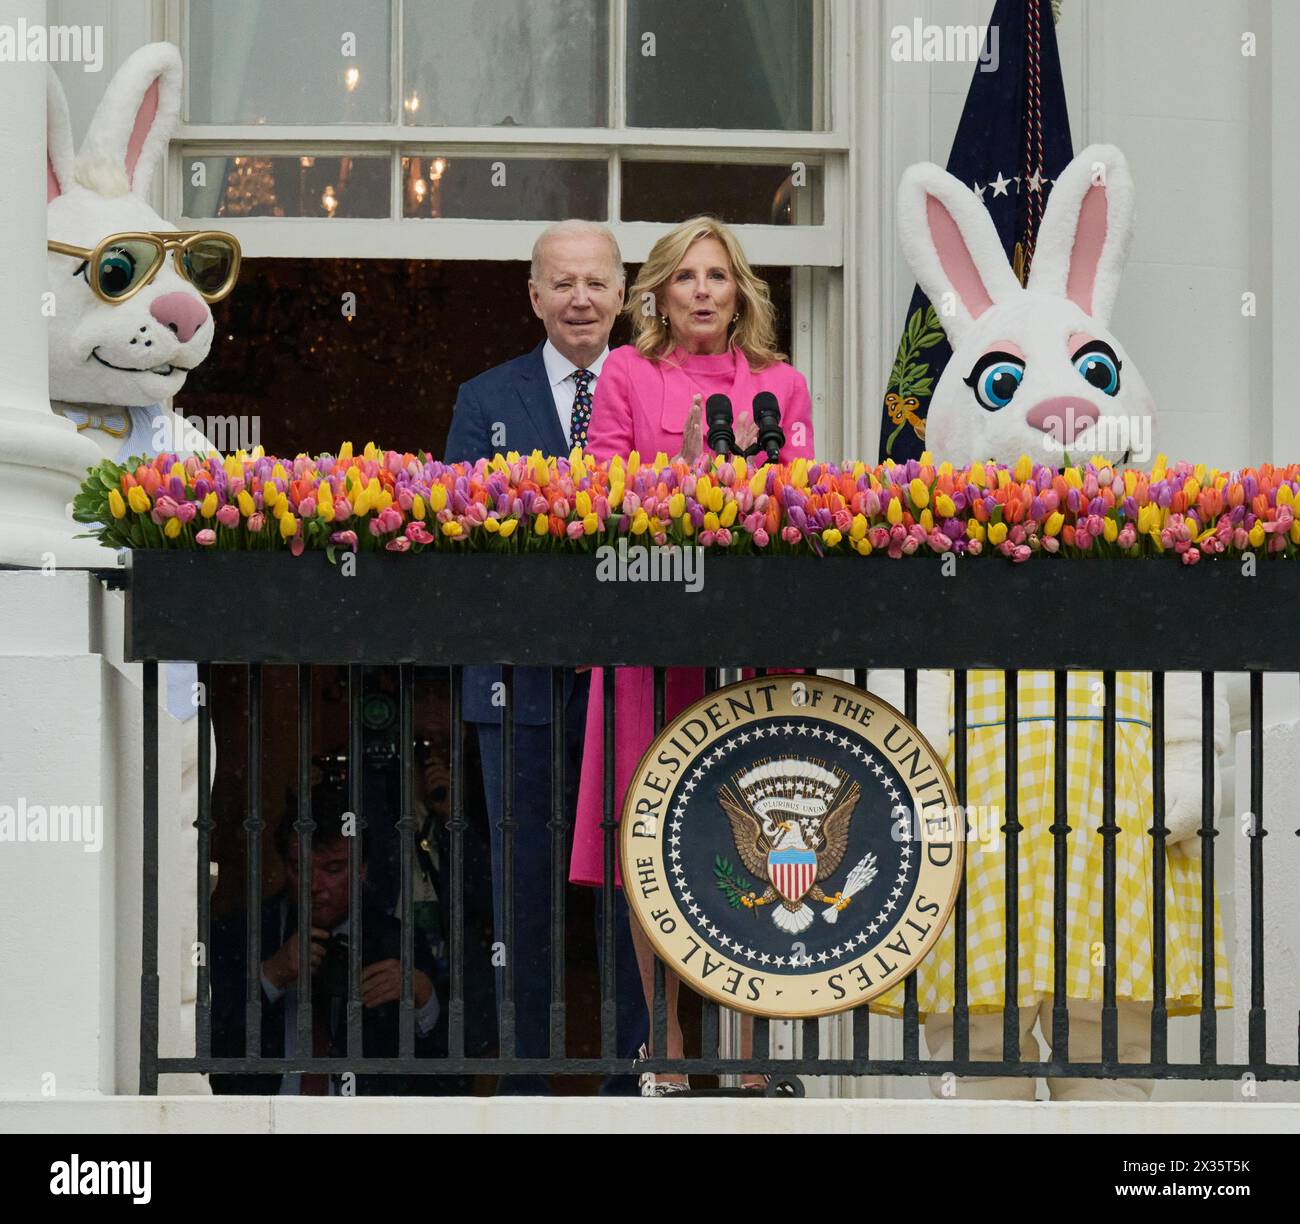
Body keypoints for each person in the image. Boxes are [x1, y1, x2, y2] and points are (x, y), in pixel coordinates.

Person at [568, 215, 816, 1092]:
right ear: (661, 294)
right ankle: (665, 1034)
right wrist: (669, 478)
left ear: (740, 291)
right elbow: (595, 492)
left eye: (718, 277)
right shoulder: (627, 374)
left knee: (754, 829)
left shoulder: (781, 386)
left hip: (745, 649)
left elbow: (805, 508)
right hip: (648, 642)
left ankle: (749, 1047)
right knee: (653, 836)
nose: (704, 292)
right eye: (686, 278)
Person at [443, 220, 649, 1092]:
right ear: (534, 296)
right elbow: (454, 538)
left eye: (596, 283)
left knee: (633, 883)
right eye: (561, 283)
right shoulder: (485, 398)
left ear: (622, 294)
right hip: (515, 685)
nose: (580, 299)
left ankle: (632, 1071)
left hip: (626, 682)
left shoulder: (652, 391)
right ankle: (525, 1079)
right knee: (521, 890)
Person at [209, 790, 439, 1096]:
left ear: (362, 870)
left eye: (332, 869)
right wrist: (269, 976)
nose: (313, 885)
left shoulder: (397, 941)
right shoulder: (241, 934)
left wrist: (423, 995)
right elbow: (199, 1042)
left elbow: (447, 1069)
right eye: (298, 867)